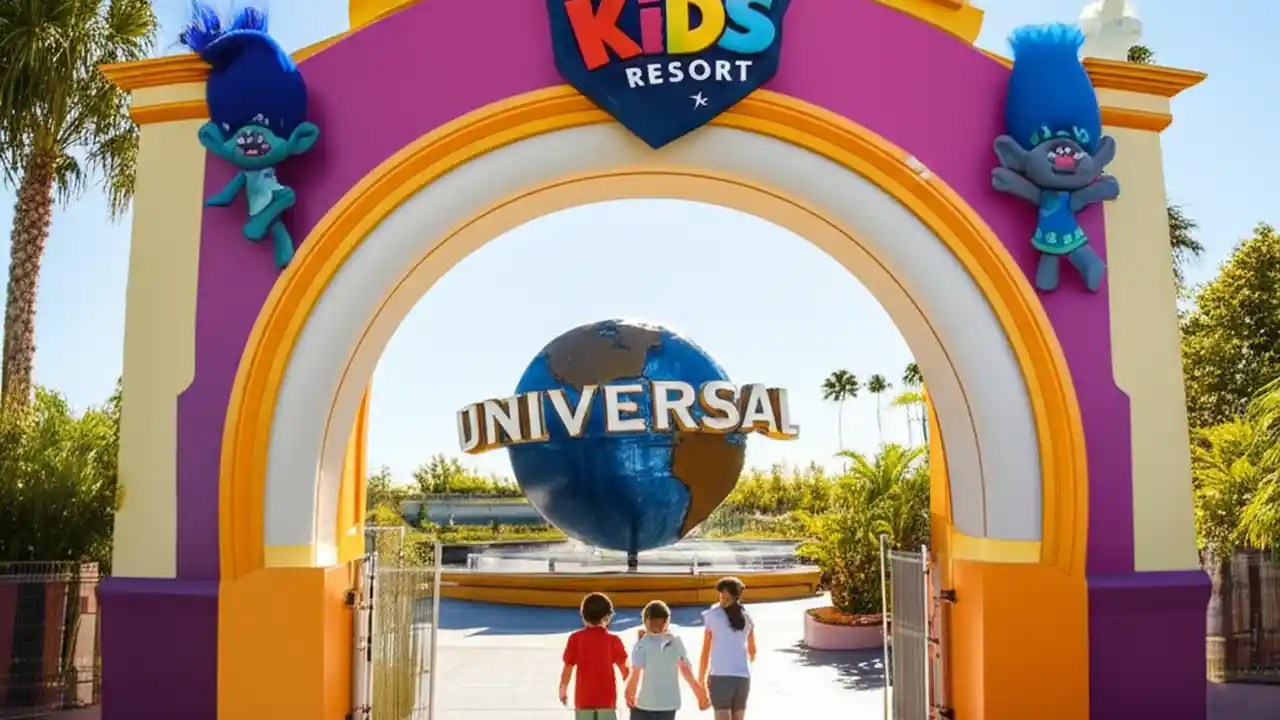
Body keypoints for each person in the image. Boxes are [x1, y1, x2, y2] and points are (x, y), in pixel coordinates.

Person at [624, 600, 709, 719]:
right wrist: (699, 692)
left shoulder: (642, 645)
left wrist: (629, 693)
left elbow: (635, 673)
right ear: (667, 621)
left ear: (645, 621)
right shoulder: (675, 643)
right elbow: (686, 671)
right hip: (668, 703)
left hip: (645, 703)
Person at [560, 592, 630, 720]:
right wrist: (631, 690)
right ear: (607, 617)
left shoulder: (575, 639)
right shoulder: (613, 640)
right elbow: (625, 669)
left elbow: (568, 667)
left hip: (583, 698)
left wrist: (563, 688)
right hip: (607, 700)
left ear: (583, 616)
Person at [698, 577, 756, 719]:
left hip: (720, 676)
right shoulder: (747, 618)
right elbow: (753, 651)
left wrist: (701, 678)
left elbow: (706, 650)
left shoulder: (713, 615)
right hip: (742, 678)